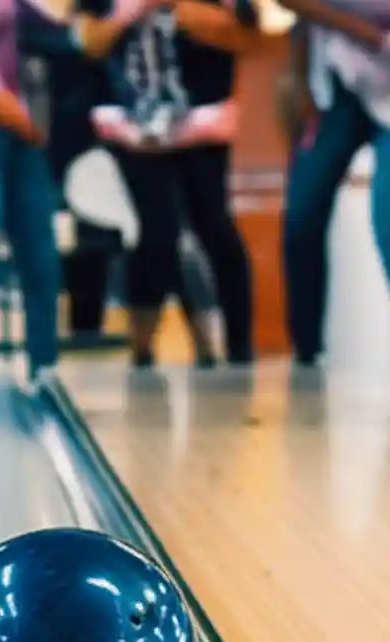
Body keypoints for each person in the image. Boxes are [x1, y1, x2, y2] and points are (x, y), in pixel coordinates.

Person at [0, 0, 154, 376]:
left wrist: (111, 20)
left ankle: (44, 380)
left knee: (43, 269)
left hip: (20, 140)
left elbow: (61, 34)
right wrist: (29, 127)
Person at [275, 0, 390, 366]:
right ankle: (306, 354)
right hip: (338, 92)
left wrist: (332, 17)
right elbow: (301, 17)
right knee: (301, 215)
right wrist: (297, 82)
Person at [97, 0, 260, 368]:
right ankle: (143, 350)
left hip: (202, 120)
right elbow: (87, 40)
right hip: (133, 125)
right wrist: (126, 15)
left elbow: (244, 35)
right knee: (155, 232)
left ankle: (235, 347)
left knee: (212, 225)